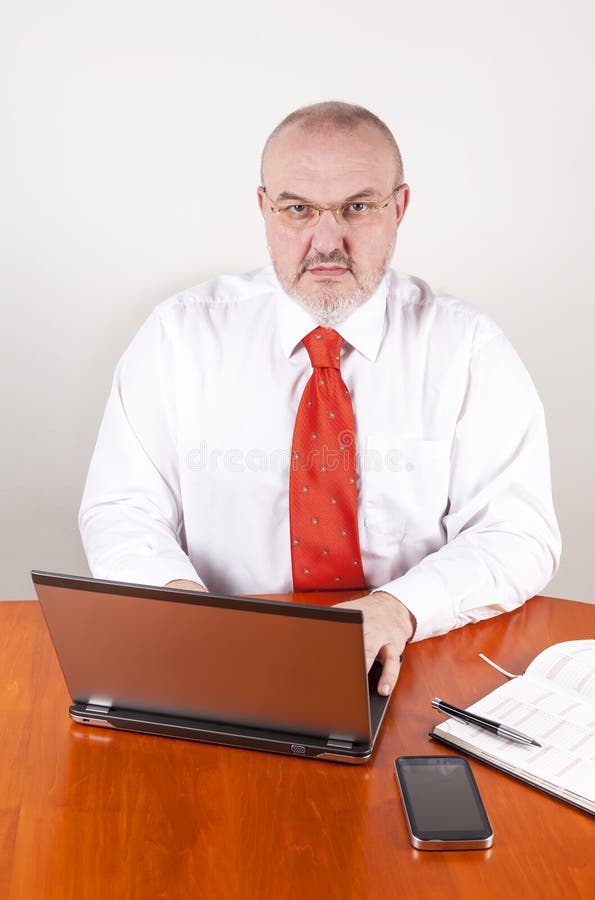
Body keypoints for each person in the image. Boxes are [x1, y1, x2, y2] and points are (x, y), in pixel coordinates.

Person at [79, 101, 561, 697]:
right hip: (227, 660)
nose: (326, 240)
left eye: (357, 207)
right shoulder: (180, 334)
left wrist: (398, 607)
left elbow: (518, 532)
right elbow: (122, 508)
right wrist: (181, 605)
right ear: (265, 209)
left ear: (399, 208)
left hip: (413, 660)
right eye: (298, 209)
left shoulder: (469, 347)